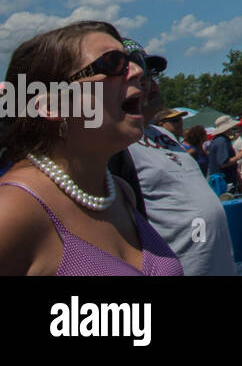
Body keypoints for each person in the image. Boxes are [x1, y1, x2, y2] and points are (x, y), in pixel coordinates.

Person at [0, 21, 184, 276]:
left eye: (135, 61)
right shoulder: (12, 211)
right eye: (112, 63)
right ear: (54, 106)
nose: (138, 72)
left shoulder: (122, 193)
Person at [122, 61, 237, 275]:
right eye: (140, 77)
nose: (151, 82)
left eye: (151, 75)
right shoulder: (120, 145)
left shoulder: (163, 135)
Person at [206, 115, 241, 191]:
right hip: (224, 183)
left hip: (222, 181)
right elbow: (223, 163)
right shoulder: (222, 141)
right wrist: (239, 156)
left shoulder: (218, 140)